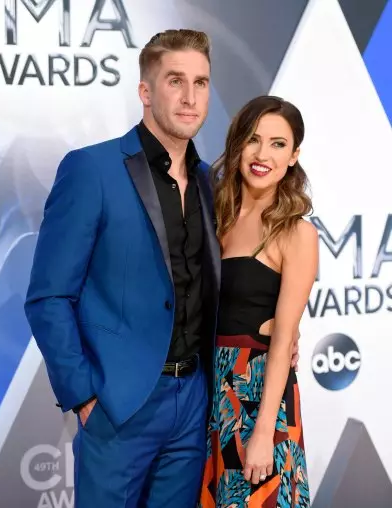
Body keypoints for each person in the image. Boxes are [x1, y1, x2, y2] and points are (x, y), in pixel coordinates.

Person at [24, 30, 299, 507]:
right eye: (176, 81)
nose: (191, 97)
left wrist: (281, 330)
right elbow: (48, 297)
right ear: (146, 91)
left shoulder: (212, 184)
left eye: (201, 82)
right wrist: (86, 397)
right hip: (119, 403)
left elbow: (239, 276)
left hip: (195, 402)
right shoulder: (92, 170)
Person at [199, 96, 318, 507]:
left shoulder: (296, 233)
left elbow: (284, 337)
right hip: (204, 388)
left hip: (256, 395)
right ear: (237, 145)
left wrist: (265, 430)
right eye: (253, 139)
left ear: (294, 155)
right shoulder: (214, 213)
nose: (263, 154)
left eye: (278, 144)